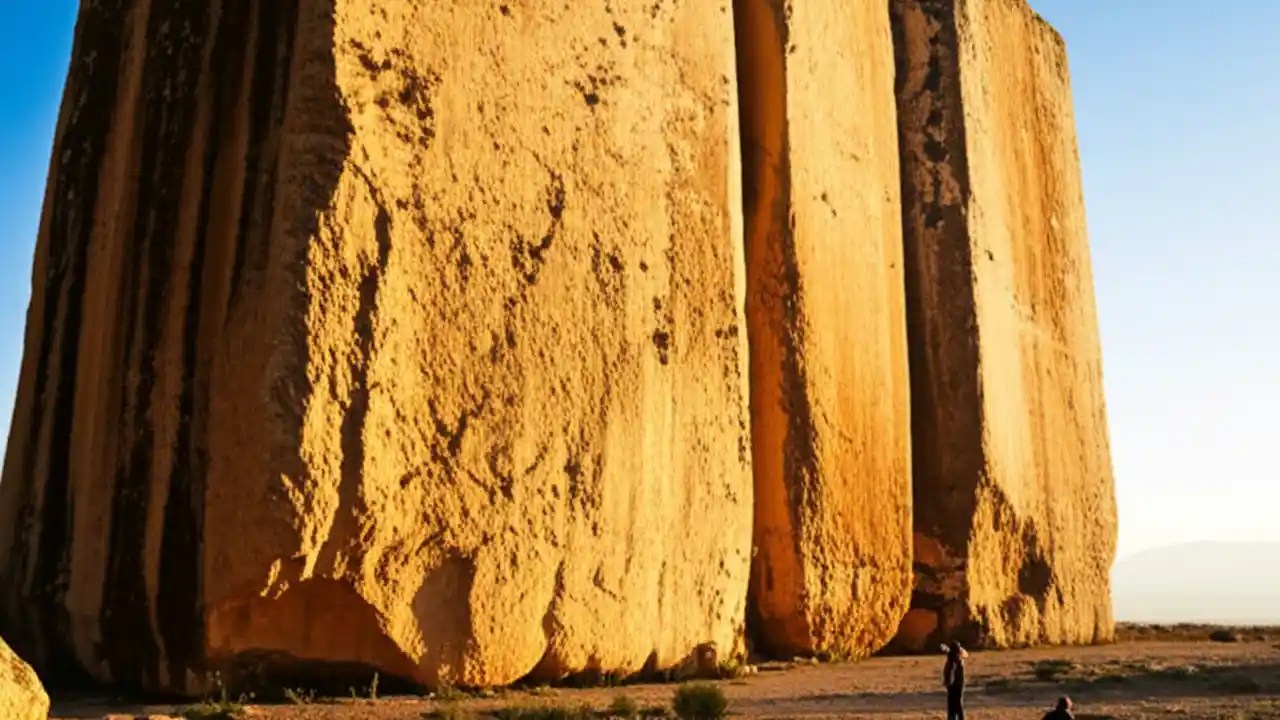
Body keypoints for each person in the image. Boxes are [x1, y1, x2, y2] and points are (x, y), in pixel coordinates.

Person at [941, 641, 967, 720]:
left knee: (954, 704)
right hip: (958, 683)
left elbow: (951, 671)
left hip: (954, 684)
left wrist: (948, 682)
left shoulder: (954, 658)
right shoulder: (959, 656)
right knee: (957, 704)